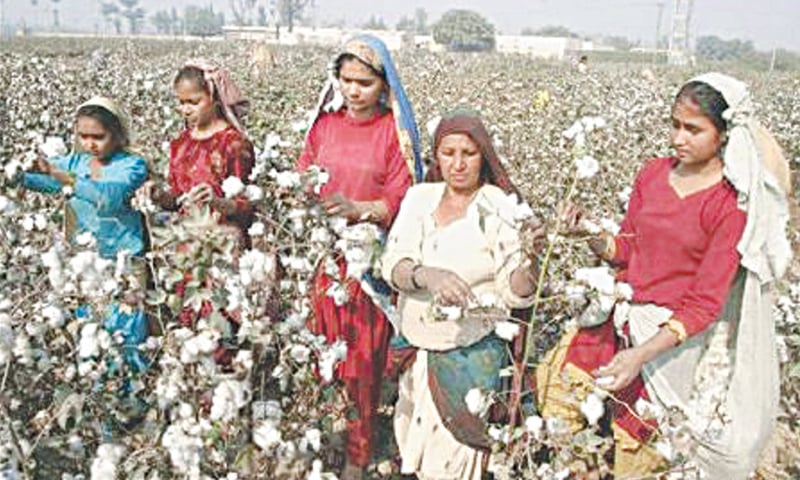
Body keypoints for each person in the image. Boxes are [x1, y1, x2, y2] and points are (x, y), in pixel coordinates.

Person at [536, 73, 792, 478]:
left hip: (671, 343)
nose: (679, 137)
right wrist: (586, 230)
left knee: (639, 448)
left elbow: (705, 304)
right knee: (557, 395)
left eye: (693, 129)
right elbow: (627, 248)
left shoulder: (729, 205)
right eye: (674, 124)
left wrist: (642, 355)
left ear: (723, 134)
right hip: (621, 320)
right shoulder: (653, 174)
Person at [380, 109, 543, 480]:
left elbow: (516, 292)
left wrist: (531, 259)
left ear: (483, 156)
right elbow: (393, 263)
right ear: (436, 156)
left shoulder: (499, 206)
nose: (457, 164)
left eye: (467, 154)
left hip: (469, 360)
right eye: (448, 153)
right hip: (419, 352)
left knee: (454, 462)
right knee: (415, 452)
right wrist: (427, 275)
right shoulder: (420, 198)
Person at [295, 34, 423, 480]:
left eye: (364, 82)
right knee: (322, 357)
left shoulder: (393, 131)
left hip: (366, 268)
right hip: (322, 261)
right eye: (346, 80)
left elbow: (402, 195)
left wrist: (359, 210)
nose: (353, 91)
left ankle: (357, 455)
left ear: (382, 85)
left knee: (360, 363)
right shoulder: (324, 126)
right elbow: (303, 176)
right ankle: (325, 442)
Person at [20, 96, 149, 372]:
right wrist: (17, 176)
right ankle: (101, 403)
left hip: (124, 265)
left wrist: (60, 174)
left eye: (98, 137)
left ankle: (132, 403)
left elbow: (108, 197)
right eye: (84, 136)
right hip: (85, 265)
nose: (90, 143)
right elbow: (43, 181)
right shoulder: (76, 162)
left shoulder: (132, 165)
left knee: (124, 335)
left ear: (117, 134)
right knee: (90, 335)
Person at [149, 58, 255, 244]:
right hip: (186, 239)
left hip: (222, 244)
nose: (185, 110)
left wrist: (217, 203)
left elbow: (247, 206)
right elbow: (176, 199)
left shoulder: (233, 144)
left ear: (214, 98)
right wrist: (158, 195)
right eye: (181, 102)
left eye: (193, 102)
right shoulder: (180, 143)